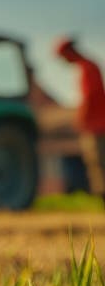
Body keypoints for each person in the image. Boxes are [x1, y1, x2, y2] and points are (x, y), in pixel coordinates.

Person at [56, 37, 105, 205]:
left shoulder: (88, 68)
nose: (64, 61)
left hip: (97, 126)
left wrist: (81, 119)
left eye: (63, 57)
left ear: (70, 53)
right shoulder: (88, 66)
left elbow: (90, 97)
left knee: (98, 164)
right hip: (96, 125)